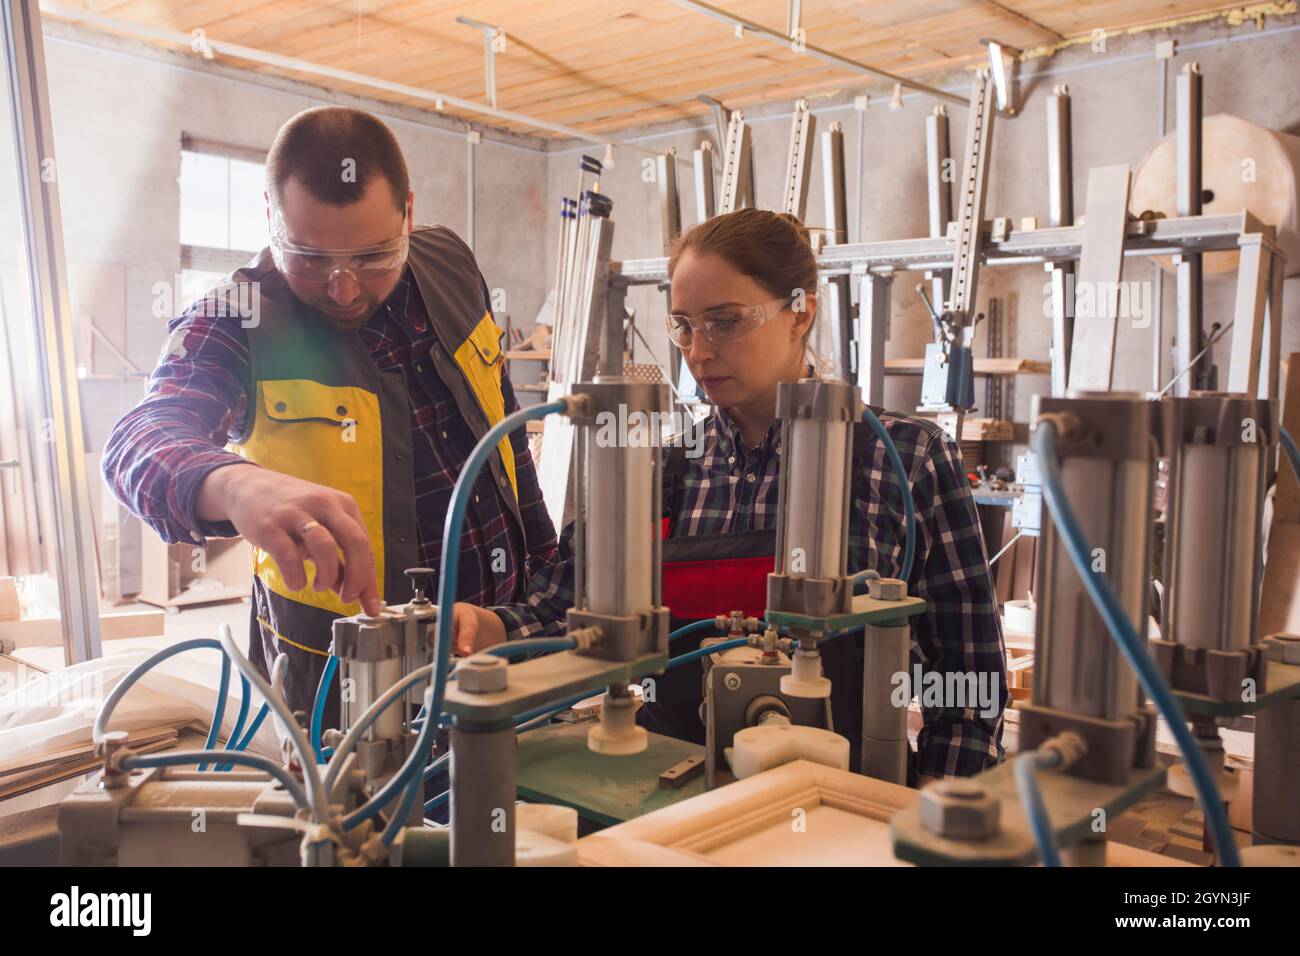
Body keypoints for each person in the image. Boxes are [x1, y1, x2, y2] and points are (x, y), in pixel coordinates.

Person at [453, 208, 1007, 784]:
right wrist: (482, 628)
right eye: (683, 326)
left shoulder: (906, 459)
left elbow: (971, 681)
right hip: (674, 800)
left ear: (801, 312)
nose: (698, 351)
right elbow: (563, 609)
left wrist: (938, 820)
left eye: (724, 322)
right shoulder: (662, 471)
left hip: (843, 810)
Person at [104, 106, 558, 718]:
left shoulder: (451, 263)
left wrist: (546, 577)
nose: (344, 288)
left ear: (409, 215)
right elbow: (141, 437)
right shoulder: (236, 316)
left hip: (500, 632)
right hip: (340, 681)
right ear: (271, 219)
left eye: (373, 256)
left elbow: (502, 427)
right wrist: (236, 485)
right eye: (310, 258)